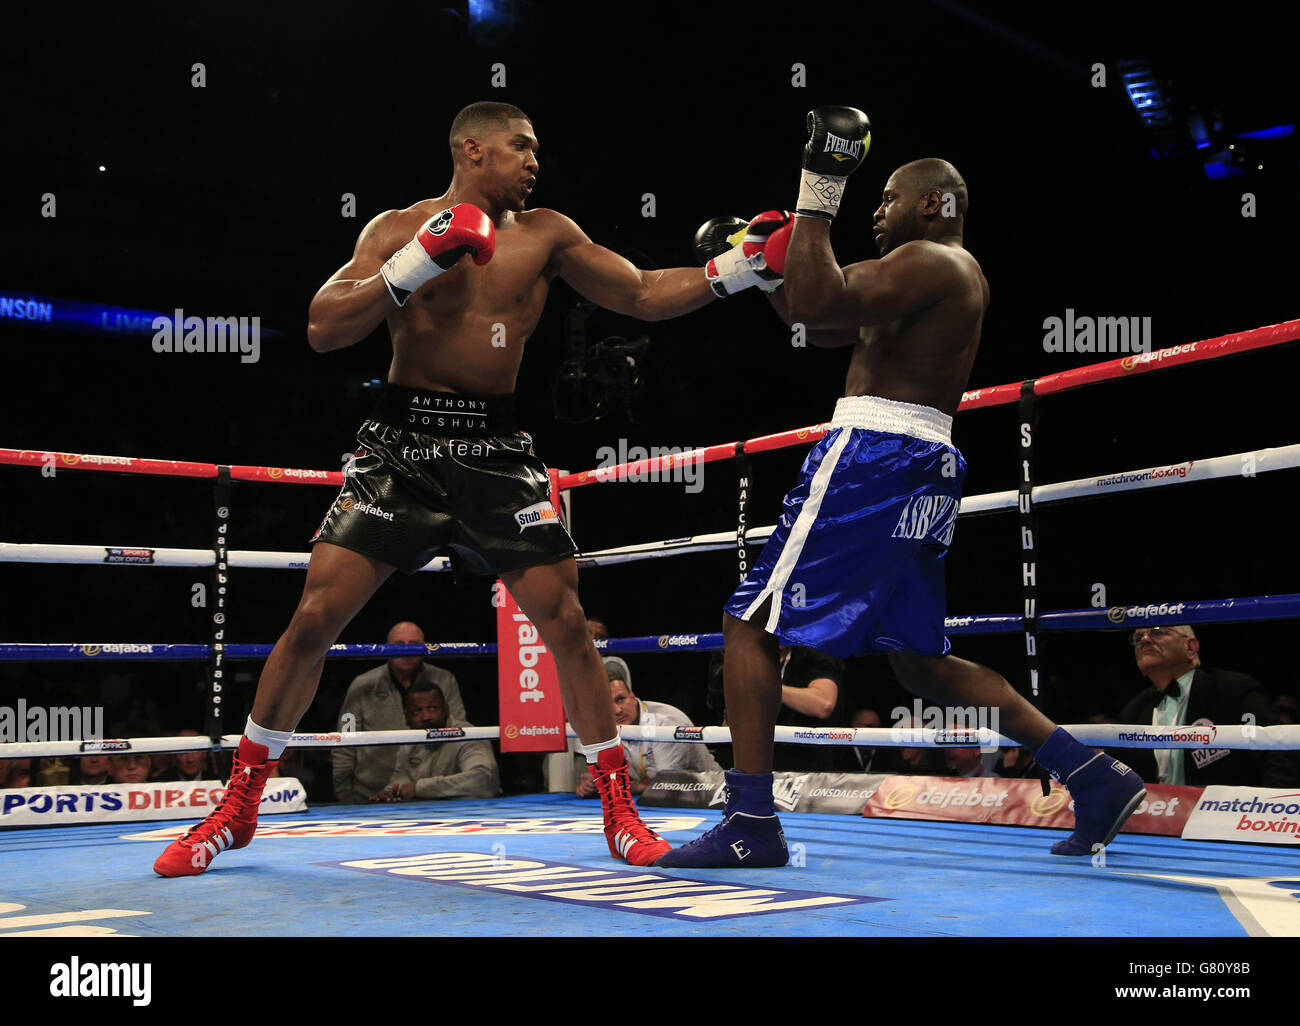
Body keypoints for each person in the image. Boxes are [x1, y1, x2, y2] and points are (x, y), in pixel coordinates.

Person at [154, 100, 776, 877]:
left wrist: (740, 268)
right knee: (314, 616)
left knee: (568, 622)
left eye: (536, 149)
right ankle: (239, 806)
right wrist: (416, 262)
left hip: (496, 448)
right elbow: (322, 326)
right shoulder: (395, 228)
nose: (533, 161)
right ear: (471, 151)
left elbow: (644, 291)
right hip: (400, 446)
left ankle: (618, 808)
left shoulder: (549, 232)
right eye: (520, 147)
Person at [658, 107, 1147, 868]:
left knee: (749, 625)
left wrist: (820, 189)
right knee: (918, 660)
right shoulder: (918, 278)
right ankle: (1093, 773)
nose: (876, 212)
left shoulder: (936, 261)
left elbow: (821, 302)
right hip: (914, 461)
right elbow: (818, 324)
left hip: (875, 455)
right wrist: (758, 268)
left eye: (885, 198)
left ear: (930, 203)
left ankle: (751, 820)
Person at [1115, 625, 1296, 787]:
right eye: (1138, 638)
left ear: (1190, 647)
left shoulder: (1231, 689)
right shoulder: (1134, 709)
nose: (1145, 640)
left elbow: (1277, 751)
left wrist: (1270, 810)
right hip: (1154, 819)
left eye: (1157, 632)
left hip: (1222, 816)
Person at [332, 620, 467, 803]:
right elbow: (345, 739)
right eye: (398, 645)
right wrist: (344, 793)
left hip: (431, 792)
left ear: (425, 647)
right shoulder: (362, 685)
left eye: (414, 645)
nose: (406, 650)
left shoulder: (444, 681)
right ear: (386, 648)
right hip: (368, 793)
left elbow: (458, 732)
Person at [575, 658, 720, 797]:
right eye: (607, 705)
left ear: (632, 697)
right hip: (661, 801)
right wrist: (593, 784)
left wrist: (620, 785)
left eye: (620, 699)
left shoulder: (665, 723)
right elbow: (607, 778)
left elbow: (665, 785)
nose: (617, 710)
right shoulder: (606, 725)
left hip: (712, 795)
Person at [371, 681, 498, 801]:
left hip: (470, 815)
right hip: (427, 815)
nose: (426, 717)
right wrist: (389, 794)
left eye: (432, 708)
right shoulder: (409, 742)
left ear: (446, 710)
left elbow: (483, 780)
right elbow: (401, 784)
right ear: (407, 717)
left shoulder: (467, 735)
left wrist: (419, 788)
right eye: (417, 711)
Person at [773, 645, 845, 771]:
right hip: (755, 761)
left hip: (807, 766)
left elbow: (823, 704)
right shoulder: (748, 658)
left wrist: (769, 688)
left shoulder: (815, 656)